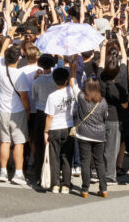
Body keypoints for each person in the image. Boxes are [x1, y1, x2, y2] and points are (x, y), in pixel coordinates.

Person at [0, 44, 28, 185]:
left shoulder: (0, 69)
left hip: (3, 109)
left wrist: (8, 37)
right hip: (18, 110)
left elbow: (1, 54)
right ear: (18, 59)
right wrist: (27, 110)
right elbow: (24, 97)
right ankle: (18, 173)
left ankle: (3, 171)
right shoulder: (21, 75)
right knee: (19, 142)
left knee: (5, 141)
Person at [42, 66, 78, 194]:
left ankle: (55, 184)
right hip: (69, 127)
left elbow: (50, 116)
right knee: (67, 157)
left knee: (54, 157)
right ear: (67, 80)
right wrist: (74, 68)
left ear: (54, 80)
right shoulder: (72, 92)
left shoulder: (52, 96)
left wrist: (46, 131)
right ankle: (66, 185)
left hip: (55, 128)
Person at [72, 78, 109, 198]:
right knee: (99, 162)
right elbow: (105, 117)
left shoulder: (82, 98)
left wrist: (73, 70)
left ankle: (85, 190)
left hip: (84, 134)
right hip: (99, 135)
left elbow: (73, 84)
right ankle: (103, 189)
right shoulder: (103, 101)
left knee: (85, 162)